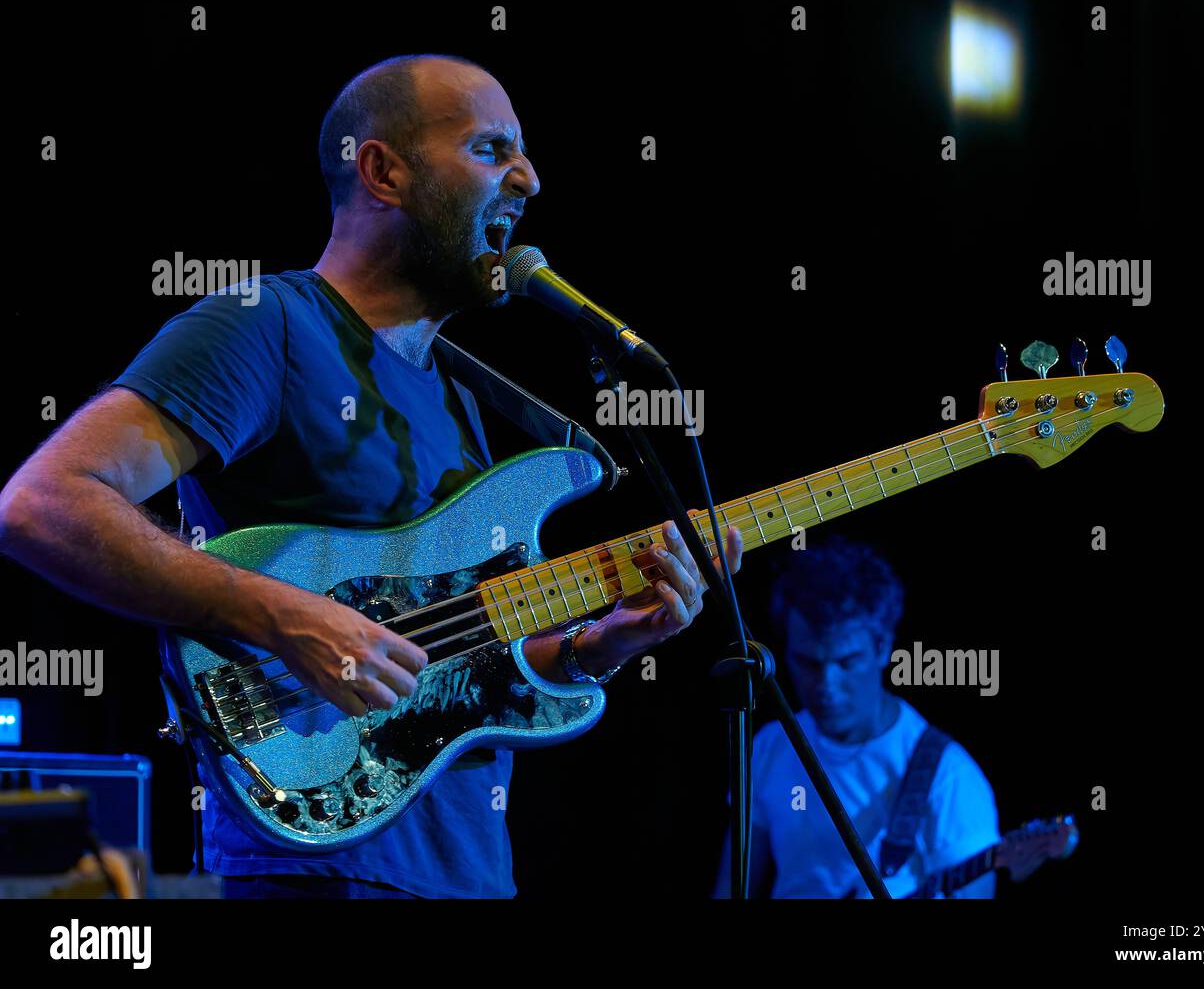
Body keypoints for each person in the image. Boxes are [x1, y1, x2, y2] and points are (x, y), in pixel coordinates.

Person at [0, 53, 742, 899]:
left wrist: (600, 642)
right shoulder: (266, 325)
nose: (529, 179)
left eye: (524, 153)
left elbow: (454, 661)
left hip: (468, 874)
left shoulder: (461, 398)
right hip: (315, 868)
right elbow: (43, 502)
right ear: (383, 170)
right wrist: (285, 616)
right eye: (492, 149)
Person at [714, 536, 995, 898]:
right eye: (808, 663)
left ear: (882, 648)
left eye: (847, 662)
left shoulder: (949, 776)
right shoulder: (771, 745)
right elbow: (732, 888)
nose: (826, 685)